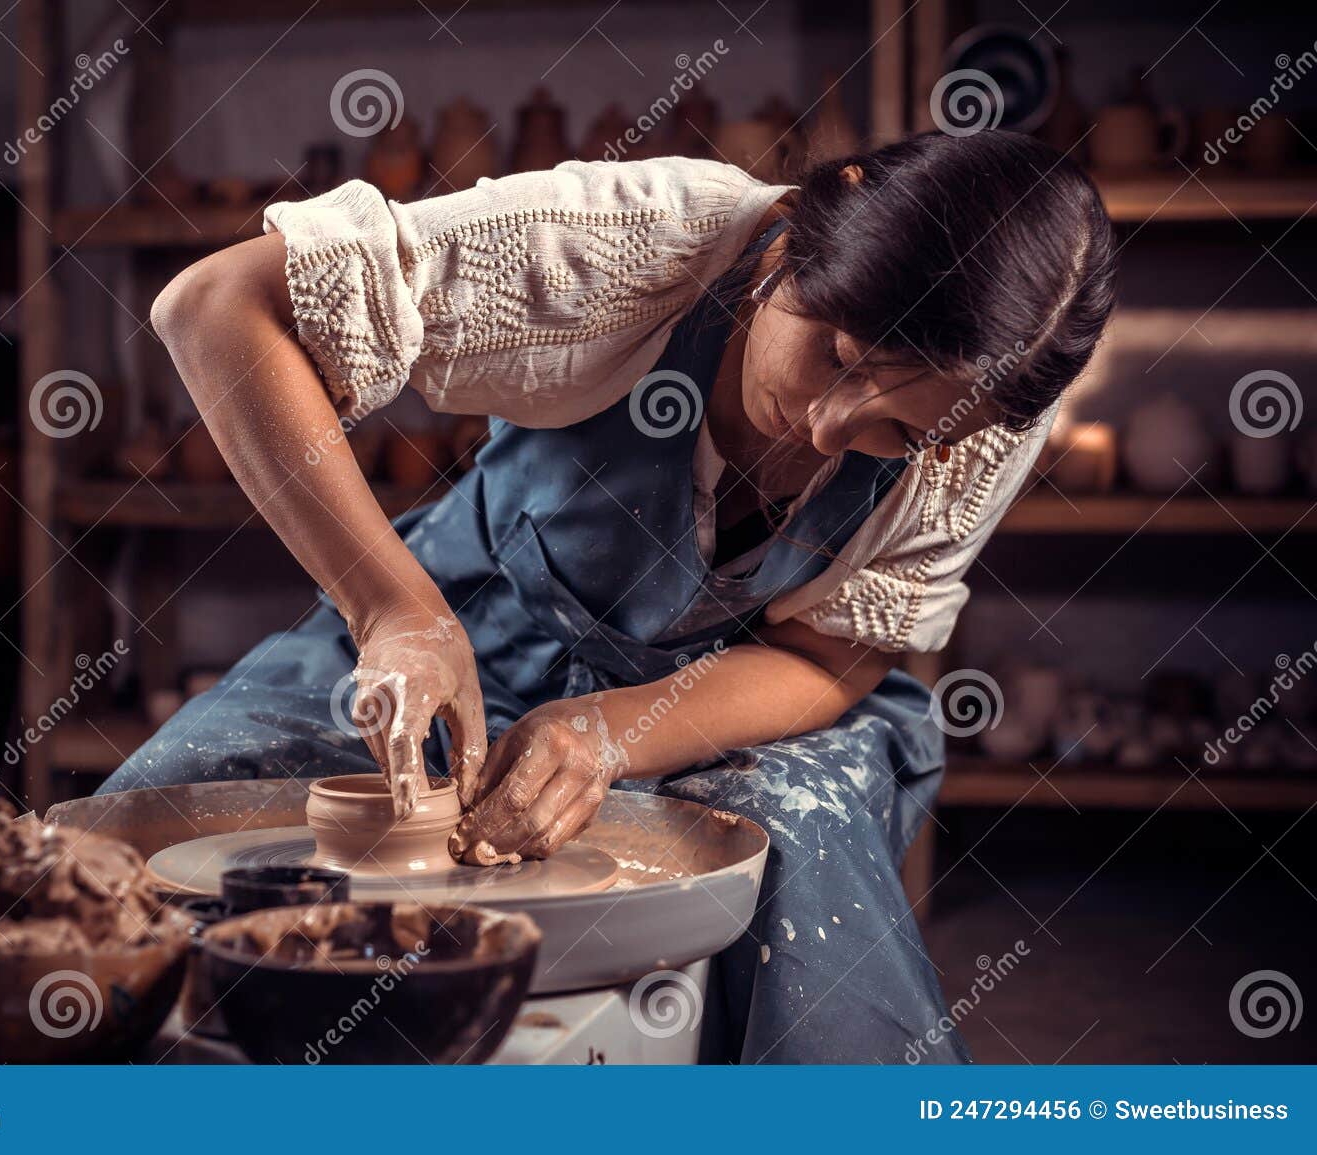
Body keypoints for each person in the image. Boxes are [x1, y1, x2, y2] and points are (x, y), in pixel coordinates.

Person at [100, 129, 1117, 1062]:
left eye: (899, 432)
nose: (823, 428)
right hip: (470, 616)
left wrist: (610, 736)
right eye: (836, 356)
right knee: (156, 839)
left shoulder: (986, 409)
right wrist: (393, 611)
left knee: (789, 853)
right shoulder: (630, 241)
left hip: (741, 690)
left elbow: (828, 656)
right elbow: (217, 305)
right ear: (818, 224)